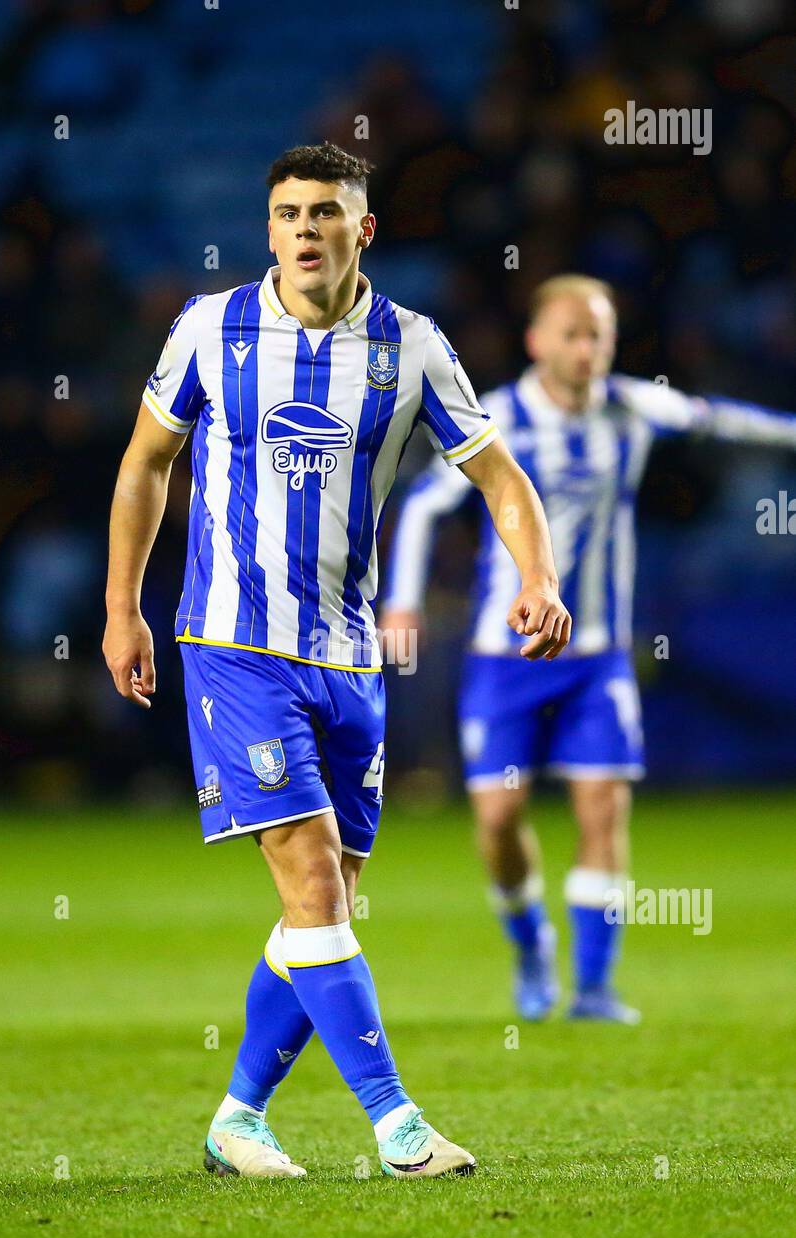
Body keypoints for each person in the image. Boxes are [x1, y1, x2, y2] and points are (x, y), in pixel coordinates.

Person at [102, 143, 570, 1180]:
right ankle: (396, 1124)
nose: (304, 228)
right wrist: (119, 605)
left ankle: (236, 1116)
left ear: (363, 231)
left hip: (349, 659)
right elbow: (144, 464)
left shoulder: (409, 347)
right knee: (313, 882)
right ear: (266, 229)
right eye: (286, 212)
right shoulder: (207, 329)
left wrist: (536, 576)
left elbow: (499, 478)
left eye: (324, 212)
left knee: (324, 904)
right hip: (229, 642)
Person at [381, 273, 796, 1024]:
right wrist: (403, 599)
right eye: (571, 334)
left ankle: (596, 987)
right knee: (499, 820)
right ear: (538, 341)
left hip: (599, 654)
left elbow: (719, 419)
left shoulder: (632, 407)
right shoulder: (497, 419)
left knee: (603, 809)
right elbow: (422, 506)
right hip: (503, 657)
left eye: (598, 335)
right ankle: (531, 942)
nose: (586, 349)